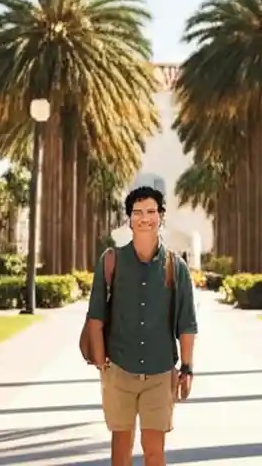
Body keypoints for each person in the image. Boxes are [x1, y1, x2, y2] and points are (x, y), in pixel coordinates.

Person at [86, 185, 198, 466]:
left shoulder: (176, 267)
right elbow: (96, 315)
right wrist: (102, 365)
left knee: (154, 451)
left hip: (160, 373)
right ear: (129, 218)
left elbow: (186, 323)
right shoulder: (112, 260)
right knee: (121, 451)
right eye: (137, 212)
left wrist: (187, 368)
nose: (144, 218)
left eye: (151, 211)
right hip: (119, 370)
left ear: (161, 216)